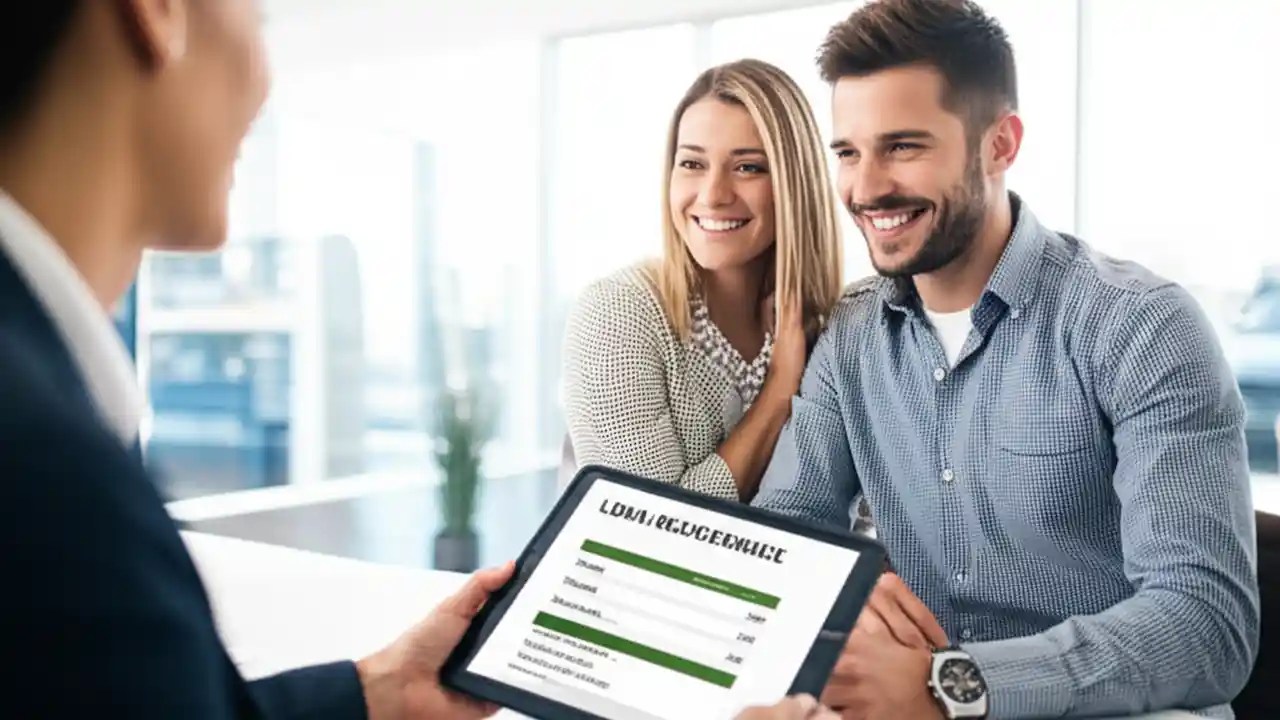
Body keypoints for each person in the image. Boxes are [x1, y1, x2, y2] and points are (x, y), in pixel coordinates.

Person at [0, 2, 841, 718]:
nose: (266, 81)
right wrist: (775, 402)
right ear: (156, 13)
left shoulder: (58, 435)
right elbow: (654, 548)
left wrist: (376, 688)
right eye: (258, 11)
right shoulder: (48, 465)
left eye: (749, 167)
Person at [751, 1, 1259, 718]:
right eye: (847, 152)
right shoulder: (852, 337)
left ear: (1000, 144)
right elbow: (785, 538)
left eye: (902, 147)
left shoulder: (1142, 326)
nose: (865, 189)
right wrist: (839, 585)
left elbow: (1207, 627)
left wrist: (952, 685)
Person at [561, 58, 846, 505]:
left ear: (795, 184)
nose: (713, 194)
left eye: (748, 167)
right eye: (692, 163)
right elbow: (651, 526)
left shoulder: (836, 326)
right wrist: (779, 389)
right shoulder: (619, 311)